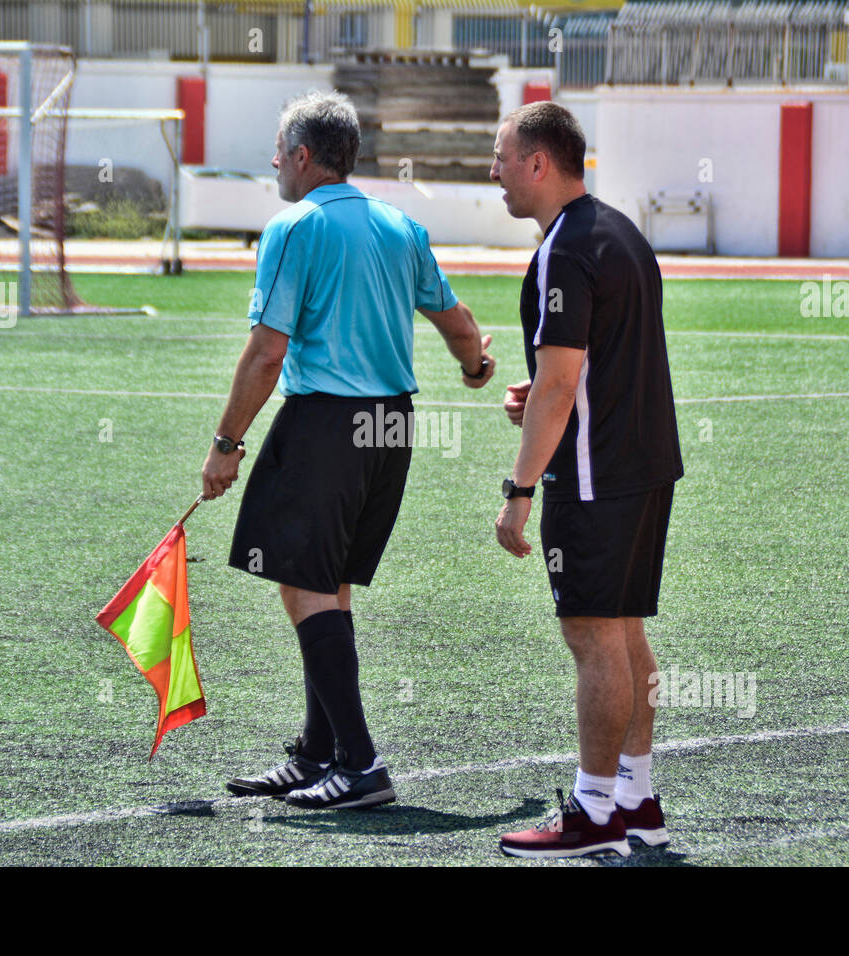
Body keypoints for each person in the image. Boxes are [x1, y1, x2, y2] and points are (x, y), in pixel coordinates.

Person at [201, 90, 496, 810]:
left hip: (328, 422)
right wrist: (474, 367)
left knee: (302, 584)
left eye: (279, 149)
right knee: (325, 584)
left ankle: (360, 764)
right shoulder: (400, 225)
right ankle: (317, 753)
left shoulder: (294, 226)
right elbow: (456, 320)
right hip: (392, 427)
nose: (273, 161)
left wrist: (226, 444)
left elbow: (267, 354)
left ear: (303, 156)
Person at [489, 102, 683, 857]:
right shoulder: (620, 229)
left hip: (598, 474)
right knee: (624, 630)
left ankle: (594, 812)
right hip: (645, 464)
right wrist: (535, 396)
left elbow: (563, 384)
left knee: (593, 636)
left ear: (539, 164)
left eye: (502, 156)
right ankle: (636, 798)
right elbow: (571, 373)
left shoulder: (567, 249)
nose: (494, 171)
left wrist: (519, 490)